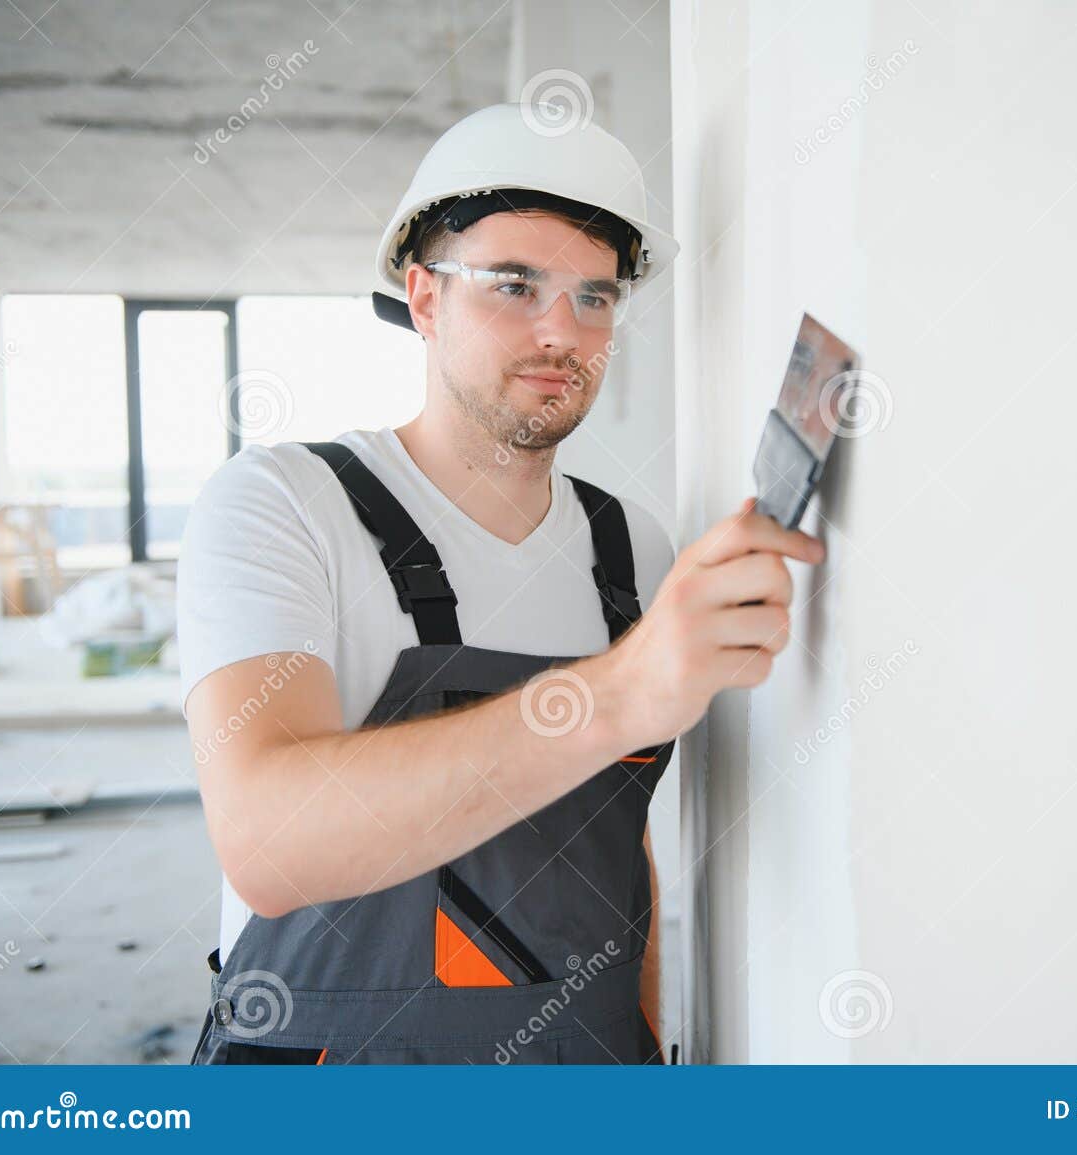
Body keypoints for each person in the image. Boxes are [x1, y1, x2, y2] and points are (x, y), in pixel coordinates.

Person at [178, 103, 824, 1064]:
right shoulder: (283, 503)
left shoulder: (630, 550)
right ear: (425, 298)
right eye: (514, 284)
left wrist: (642, 1045)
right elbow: (271, 846)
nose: (562, 331)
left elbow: (618, 849)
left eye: (594, 297)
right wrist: (618, 691)